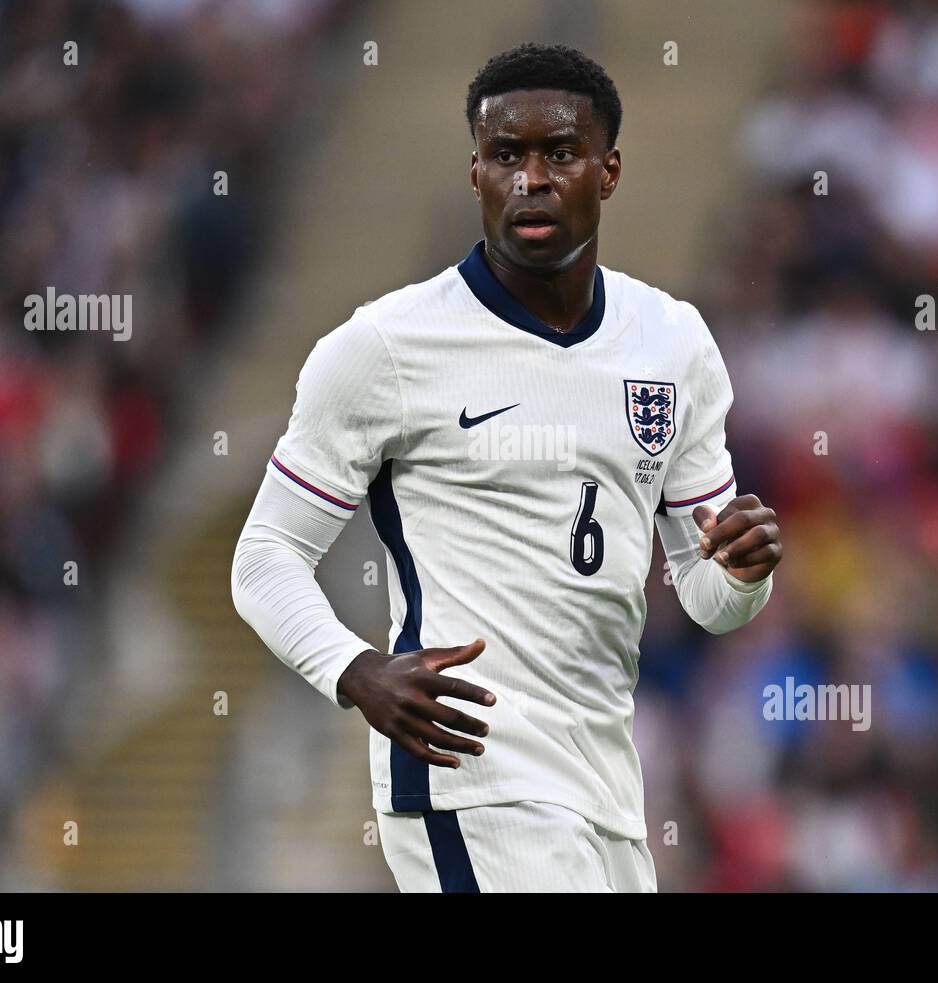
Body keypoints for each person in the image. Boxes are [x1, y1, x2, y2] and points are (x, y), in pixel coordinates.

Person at [231, 42, 781, 892]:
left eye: (559, 153)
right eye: (505, 156)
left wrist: (741, 573)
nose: (531, 177)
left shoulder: (673, 344)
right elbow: (264, 555)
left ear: (609, 171)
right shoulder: (385, 348)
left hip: (604, 783)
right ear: (476, 173)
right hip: (470, 770)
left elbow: (708, 596)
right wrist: (354, 669)